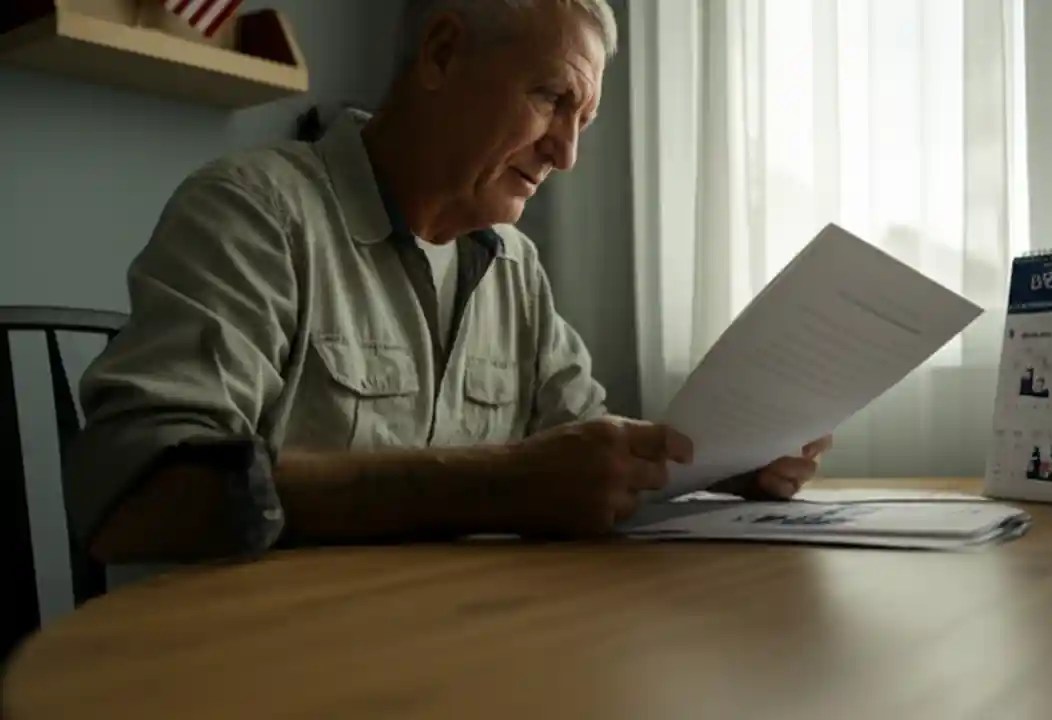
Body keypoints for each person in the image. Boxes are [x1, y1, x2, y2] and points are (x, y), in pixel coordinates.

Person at [71, 0, 832, 563]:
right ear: (440, 53)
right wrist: (494, 485)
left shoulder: (514, 265)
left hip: (448, 654)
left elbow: (590, 461)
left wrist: (729, 464)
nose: (566, 154)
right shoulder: (255, 212)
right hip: (253, 670)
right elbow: (138, 497)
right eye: (552, 99)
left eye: (584, 121)